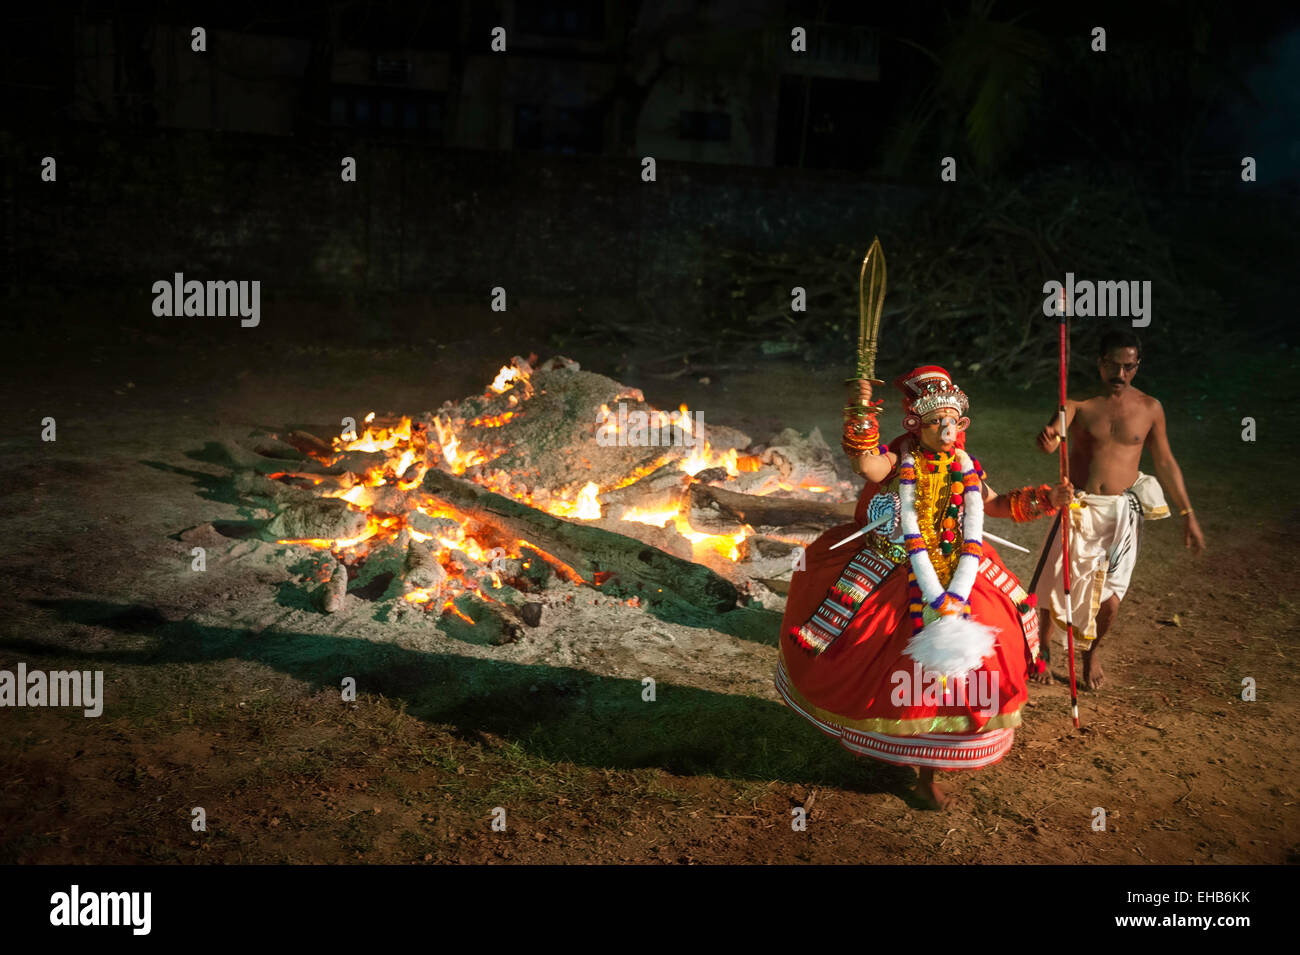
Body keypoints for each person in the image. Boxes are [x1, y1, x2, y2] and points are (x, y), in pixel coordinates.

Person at [775, 366, 1071, 809]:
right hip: (896, 566)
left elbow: (993, 505)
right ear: (916, 424)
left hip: (961, 570)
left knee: (983, 654)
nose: (947, 431)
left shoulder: (964, 466)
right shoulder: (898, 460)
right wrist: (861, 412)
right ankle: (895, 749)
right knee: (874, 651)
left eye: (954, 423)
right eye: (937, 423)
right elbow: (867, 464)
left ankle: (931, 771)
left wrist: (1048, 500)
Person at [1032, 330, 1205, 690]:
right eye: (1113, 365)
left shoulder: (1149, 408)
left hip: (1121, 514)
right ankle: (1044, 650)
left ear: (1137, 366)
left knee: (1111, 598)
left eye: (1128, 367)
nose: (1120, 374)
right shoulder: (1078, 402)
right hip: (1078, 505)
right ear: (1100, 363)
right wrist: (1049, 439)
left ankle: (1091, 651)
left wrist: (1188, 515)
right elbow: (1052, 436)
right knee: (1053, 583)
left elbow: (1166, 461)